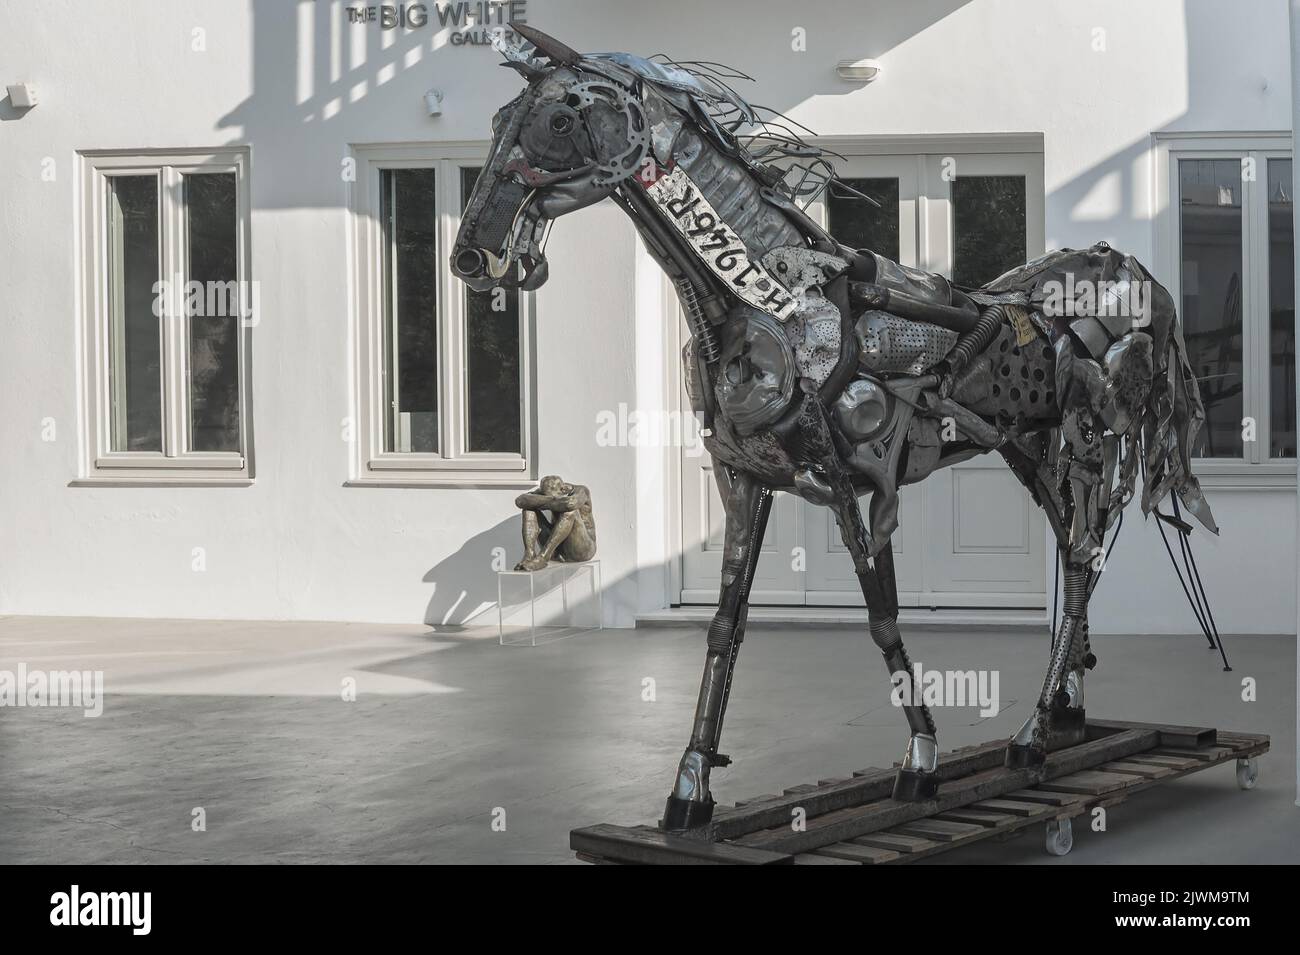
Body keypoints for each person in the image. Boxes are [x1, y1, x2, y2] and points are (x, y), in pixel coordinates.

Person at [513, 475, 596, 571]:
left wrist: (539, 502)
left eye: (551, 496)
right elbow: (520, 501)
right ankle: (529, 554)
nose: (546, 496)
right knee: (528, 510)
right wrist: (554, 500)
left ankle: (543, 558)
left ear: (563, 489)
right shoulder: (545, 490)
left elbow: (570, 504)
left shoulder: (581, 491)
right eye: (544, 494)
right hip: (556, 549)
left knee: (570, 511)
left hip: (582, 549)